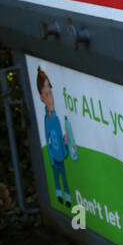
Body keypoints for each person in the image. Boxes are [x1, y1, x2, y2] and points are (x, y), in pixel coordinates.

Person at [36, 68, 71, 205]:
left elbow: (61, 141)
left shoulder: (56, 119)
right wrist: (51, 158)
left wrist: (66, 144)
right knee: (57, 177)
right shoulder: (47, 120)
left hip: (60, 156)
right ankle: (59, 194)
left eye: (50, 93)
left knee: (64, 177)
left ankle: (67, 197)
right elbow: (47, 138)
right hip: (54, 158)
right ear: (42, 97)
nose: (50, 98)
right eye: (47, 94)